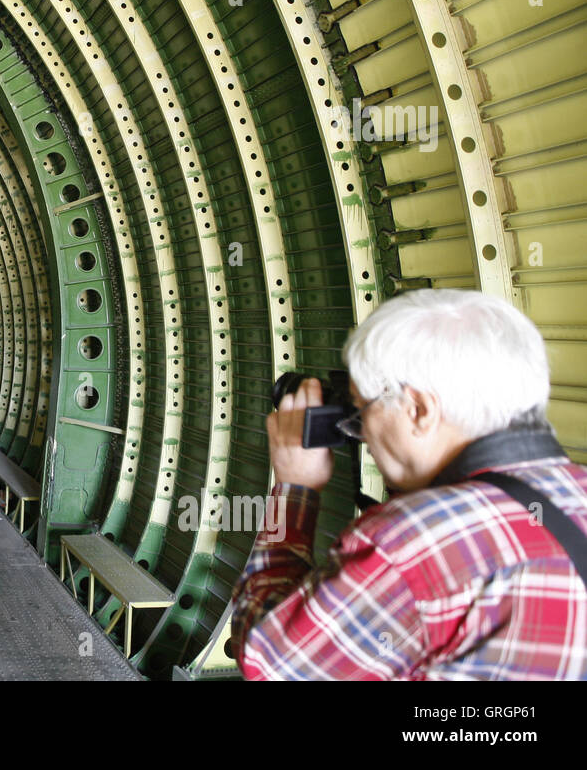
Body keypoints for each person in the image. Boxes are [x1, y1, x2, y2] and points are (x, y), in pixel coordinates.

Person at [231, 289, 587, 679]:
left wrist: (294, 489)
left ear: (418, 410)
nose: (360, 432)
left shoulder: (416, 541)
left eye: (361, 410)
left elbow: (269, 665)